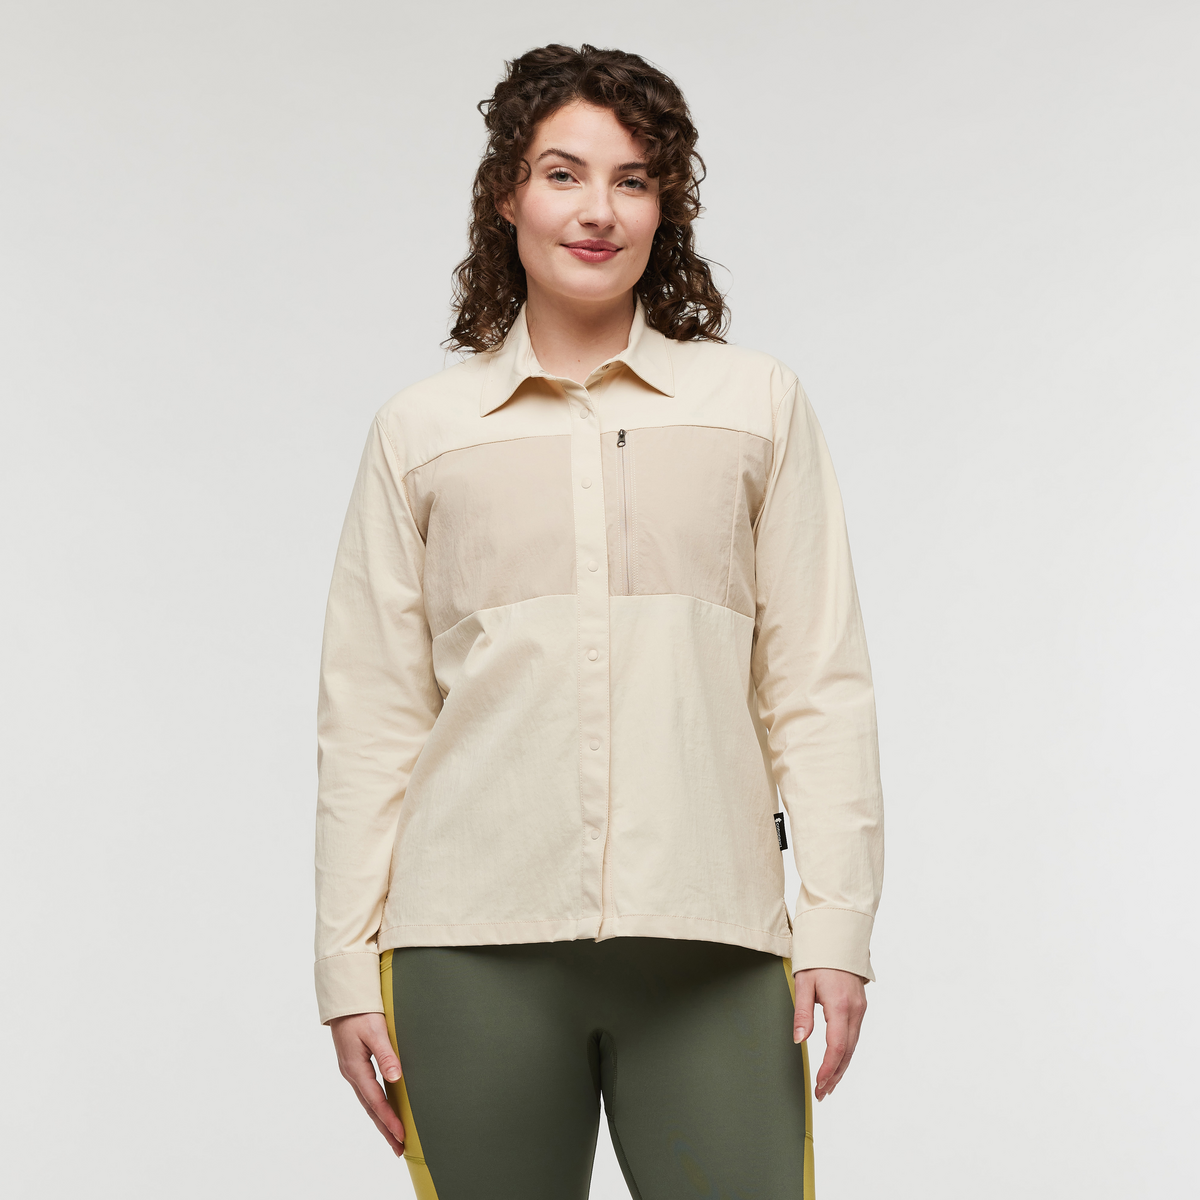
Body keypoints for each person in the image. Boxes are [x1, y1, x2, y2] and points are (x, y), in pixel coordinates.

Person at [314, 42, 884, 1200]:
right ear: (507, 195)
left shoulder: (754, 406)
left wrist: (837, 926)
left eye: (633, 180)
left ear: (664, 208)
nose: (598, 210)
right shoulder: (423, 430)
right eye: (563, 174)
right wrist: (343, 963)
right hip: (466, 946)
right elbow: (372, 711)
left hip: (714, 939)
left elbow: (816, 682)